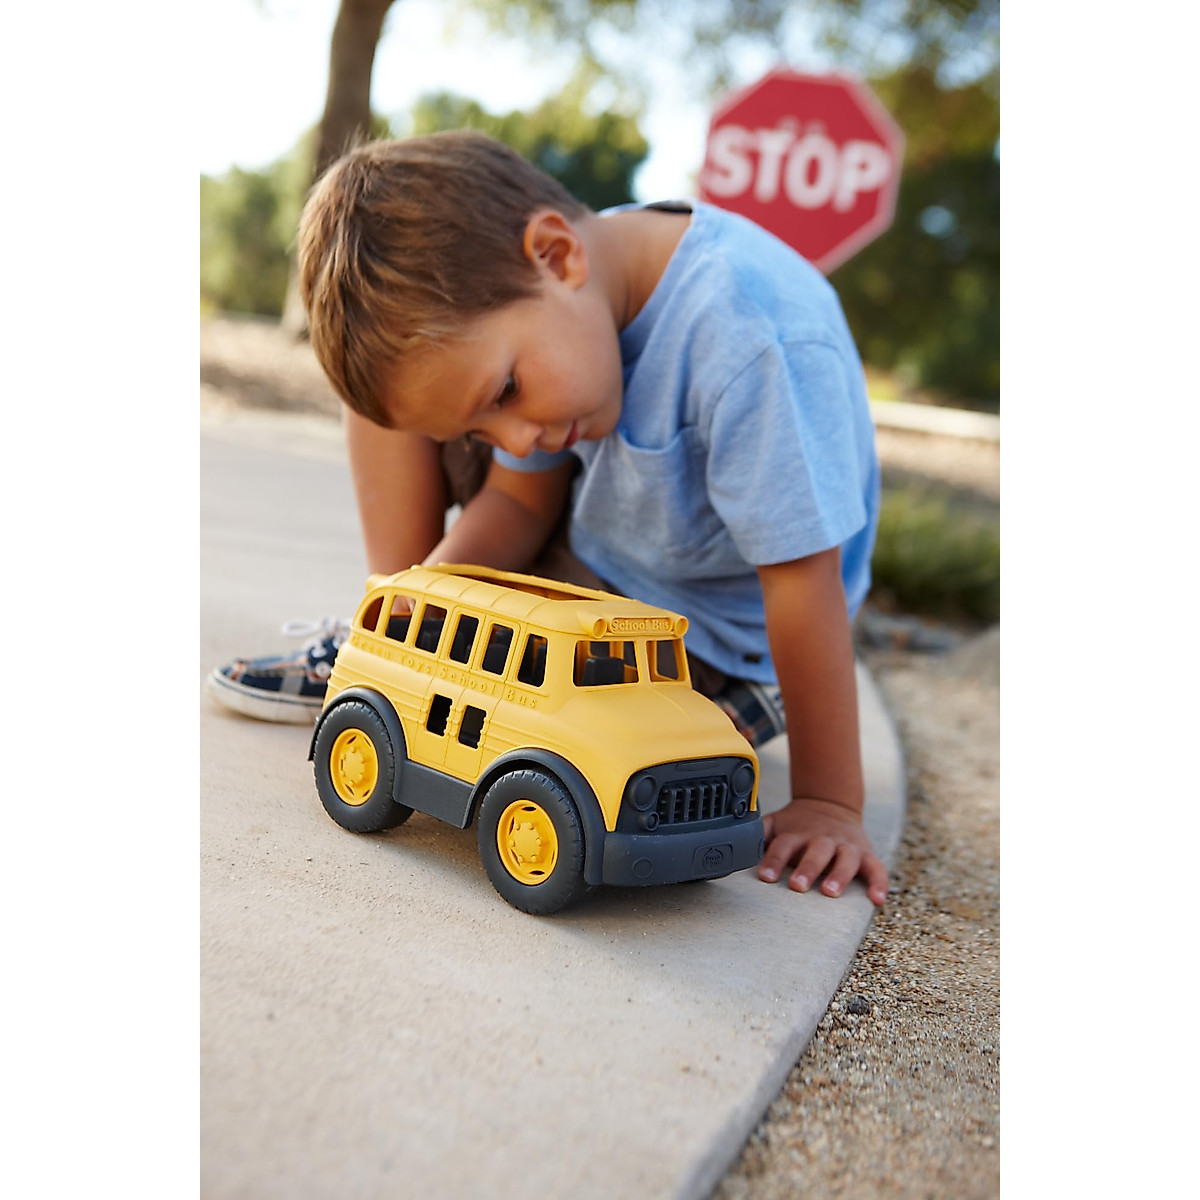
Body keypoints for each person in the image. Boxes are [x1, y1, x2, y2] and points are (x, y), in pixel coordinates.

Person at [207, 130, 888, 906]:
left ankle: (734, 705)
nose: (513, 440)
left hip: (704, 634)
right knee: (390, 384)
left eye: (504, 394)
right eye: (484, 428)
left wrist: (830, 800)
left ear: (558, 256)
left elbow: (803, 583)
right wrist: (419, 618)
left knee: (618, 747)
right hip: (594, 562)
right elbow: (519, 500)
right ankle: (389, 648)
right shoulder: (561, 314)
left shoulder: (751, 336)